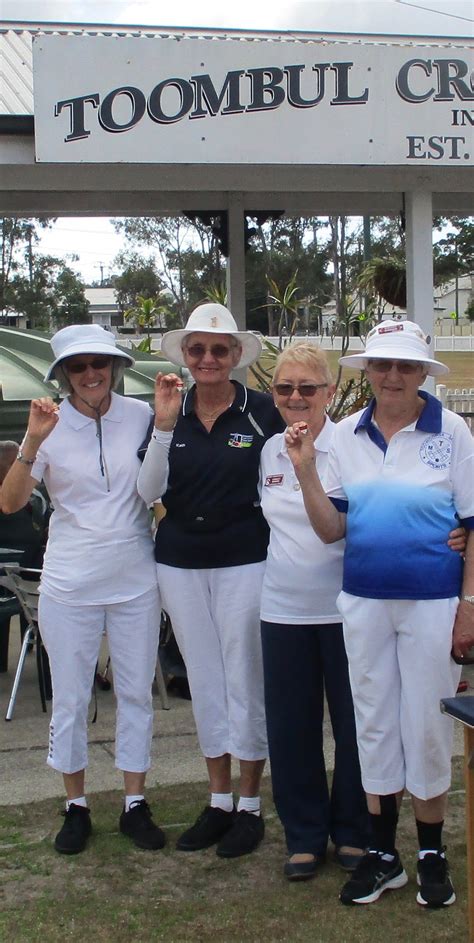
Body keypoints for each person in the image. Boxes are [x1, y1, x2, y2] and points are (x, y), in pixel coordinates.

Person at [284, 320, 474, 909]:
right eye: (382, 365)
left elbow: (471, 525)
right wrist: (307, 471)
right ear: (367, 370)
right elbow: (332, 528)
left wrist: (468, 607)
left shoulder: (455, 431)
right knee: (373, 724)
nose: (393, 376)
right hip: (364, 601)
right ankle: (383, 855)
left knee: (426, 724)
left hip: (433, 603)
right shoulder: (342, 438)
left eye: (406, 366)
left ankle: (431, 852)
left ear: (422, 373)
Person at [0, 324, 164, 856]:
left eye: (99, 363)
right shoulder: (48, 422)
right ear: (63, 374)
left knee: (137, 693)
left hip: (136, 577)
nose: (90, 374)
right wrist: (32, 441)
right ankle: (76, 805)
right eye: (78, 366)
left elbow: (161, 485)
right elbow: (10, 502)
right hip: (69, 581)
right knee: (70, 697)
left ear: (114, 367)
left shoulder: (141, 416)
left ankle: (134, 801)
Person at [137, 302, 284, 858]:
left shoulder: (262, 412)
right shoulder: (168, 412)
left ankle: (250, 806)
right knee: (204, 679)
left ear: (236, 356)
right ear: (185, 355)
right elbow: (147, 491)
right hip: (178, 562)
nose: (207, 358)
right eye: (196, 349)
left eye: (218, 349)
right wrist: (164, 424)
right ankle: (218, 799)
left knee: (245, 678)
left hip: (246, 559)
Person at [259, 343, 371, 881]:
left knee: (353, 727)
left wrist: (305, 470)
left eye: (308, 387)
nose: (296, 397)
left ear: (329, 392)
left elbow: (335, 531)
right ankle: (304, 835)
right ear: (274, 395)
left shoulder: (351, 447)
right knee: (291, 728)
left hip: (347, 609)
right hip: (282, 611)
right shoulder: (266, 450)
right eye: (285, 389)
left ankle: (353, 830)